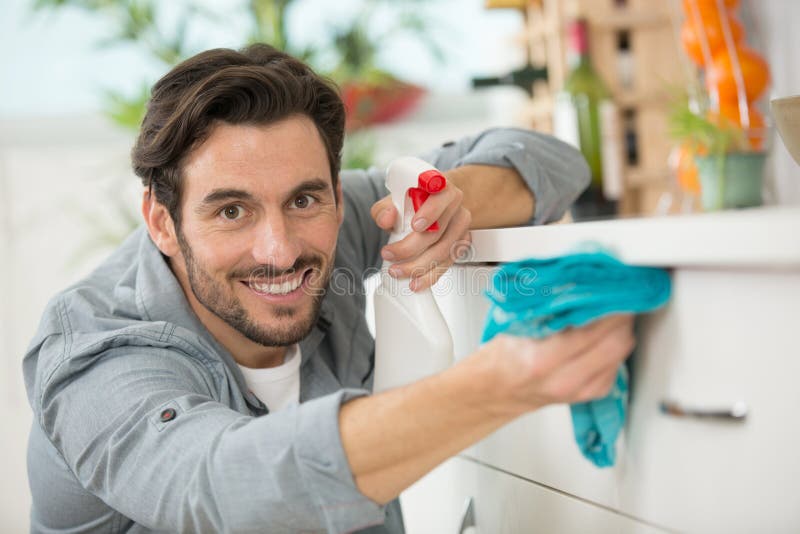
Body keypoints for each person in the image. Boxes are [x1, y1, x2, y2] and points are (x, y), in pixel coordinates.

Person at [23, 44, 635, 533]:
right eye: (231, 212)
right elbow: (219, 487)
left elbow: (555, 161)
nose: (281, 249)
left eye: (305, 199)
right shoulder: (94, 352)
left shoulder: (342, 221)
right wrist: (503, 383)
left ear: (338, 196)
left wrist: (452, 203)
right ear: (161, 221)